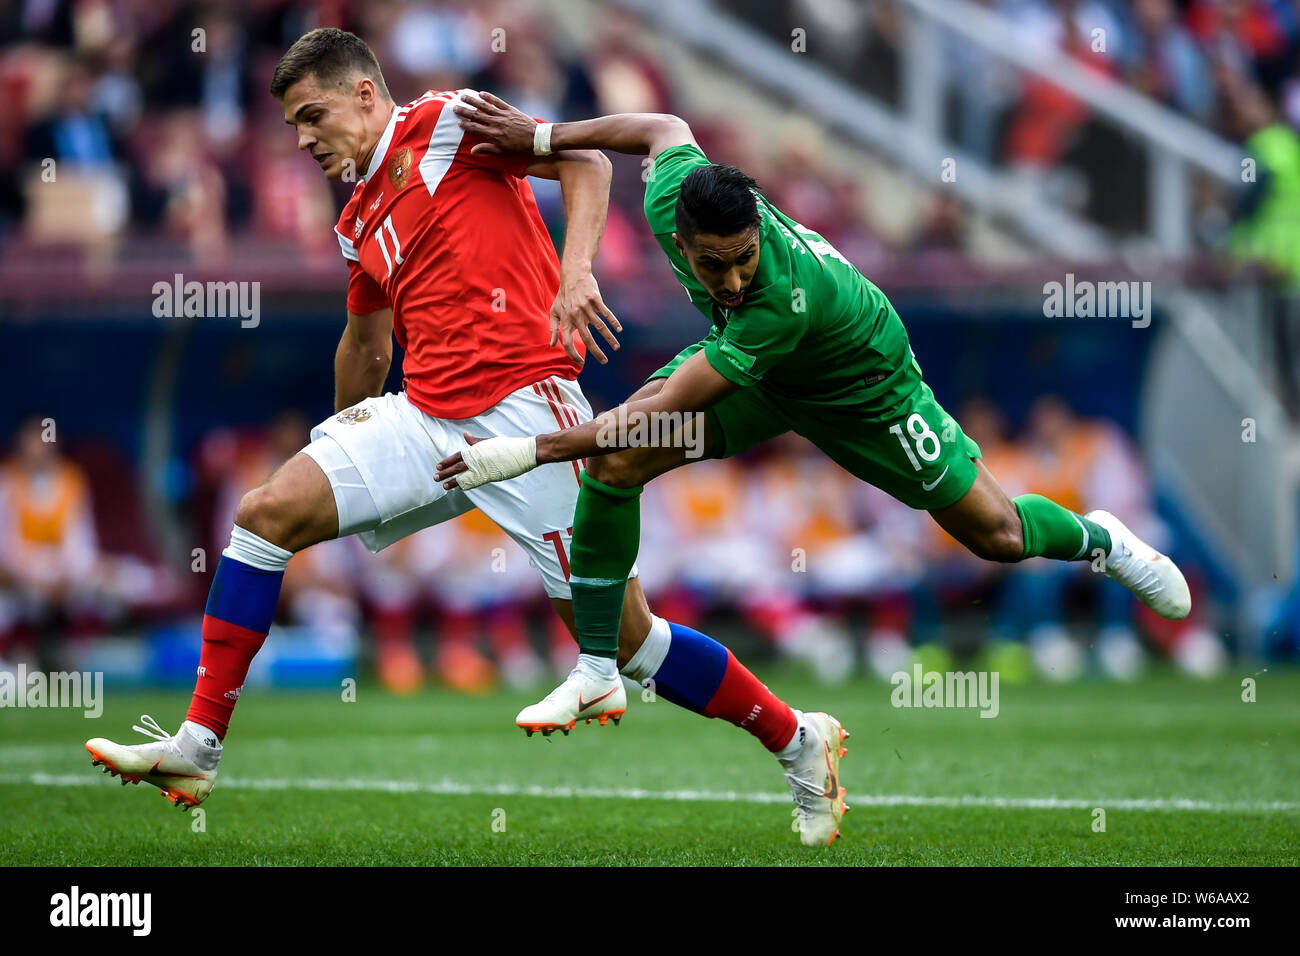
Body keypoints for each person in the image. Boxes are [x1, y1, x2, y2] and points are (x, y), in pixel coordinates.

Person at [84, 29, 848, 848]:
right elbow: (367, 344)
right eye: (292, 127)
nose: (303, 139)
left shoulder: (449, 120)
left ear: (366, 95)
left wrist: (576, 271)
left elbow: (584, 164)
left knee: (630, 645)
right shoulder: (356, 217)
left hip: (530, 415)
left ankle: (799, 738)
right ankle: (198, 746)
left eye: (313, 116)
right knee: (266, 513)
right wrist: (339, 430)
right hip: (426, 419)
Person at [436, 95, 1192, 755]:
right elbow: (660, 126)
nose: (730, 278)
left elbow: (664, 410)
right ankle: (599, 670)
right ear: (680, 236)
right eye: (714, 265)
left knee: (995, 534)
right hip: (762, 377)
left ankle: (1103, 541)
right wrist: (539, 141)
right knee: (616, 462)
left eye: (742, 260)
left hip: (863, 389)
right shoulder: (676, 195)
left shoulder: (778, 299)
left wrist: (526, 451)